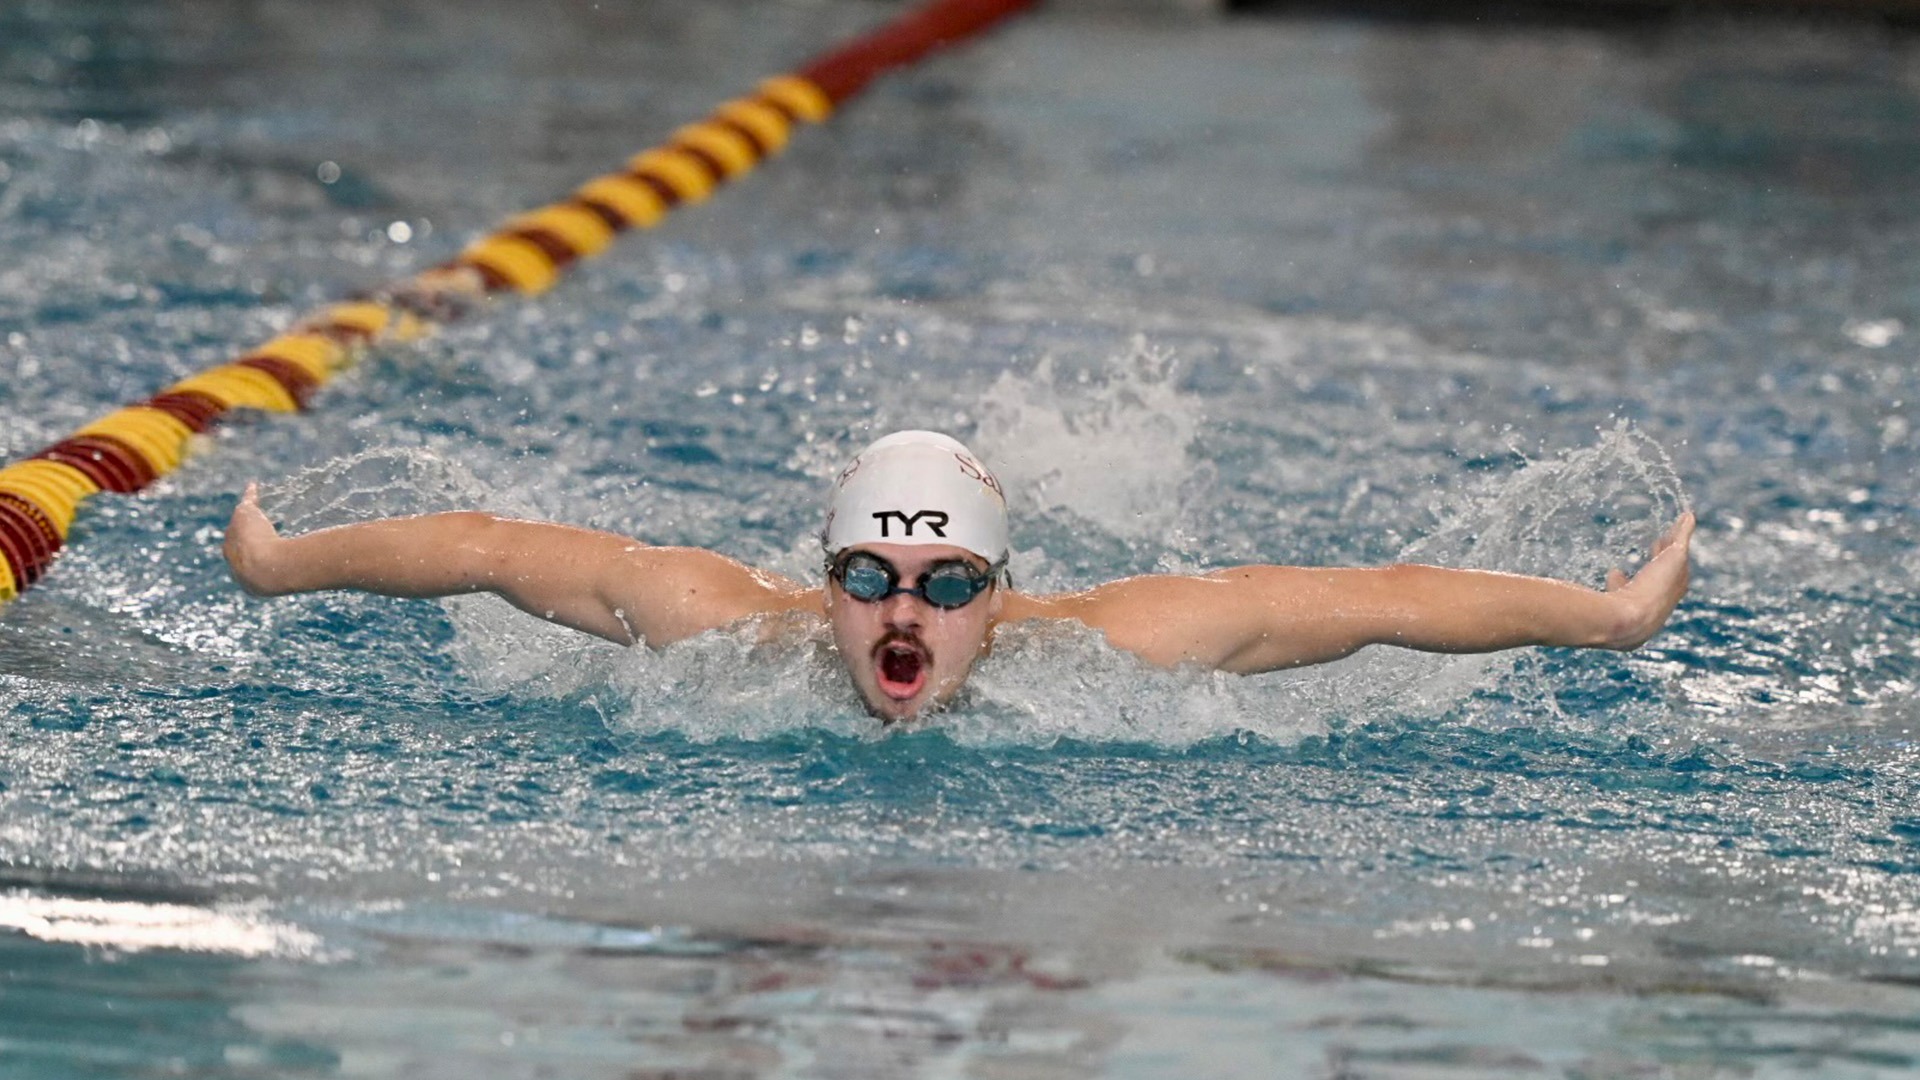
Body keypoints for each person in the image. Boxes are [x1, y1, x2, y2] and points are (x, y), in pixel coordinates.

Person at [225, 430, 1695, 724]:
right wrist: (282, 567)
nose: (905, 612)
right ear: (822, 579)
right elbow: (484, 552)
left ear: (1002, 589)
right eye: (869, 576)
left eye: (944, 583)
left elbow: (1383, 597)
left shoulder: (1122, 645)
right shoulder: (711, 624)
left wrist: (1613, 619)